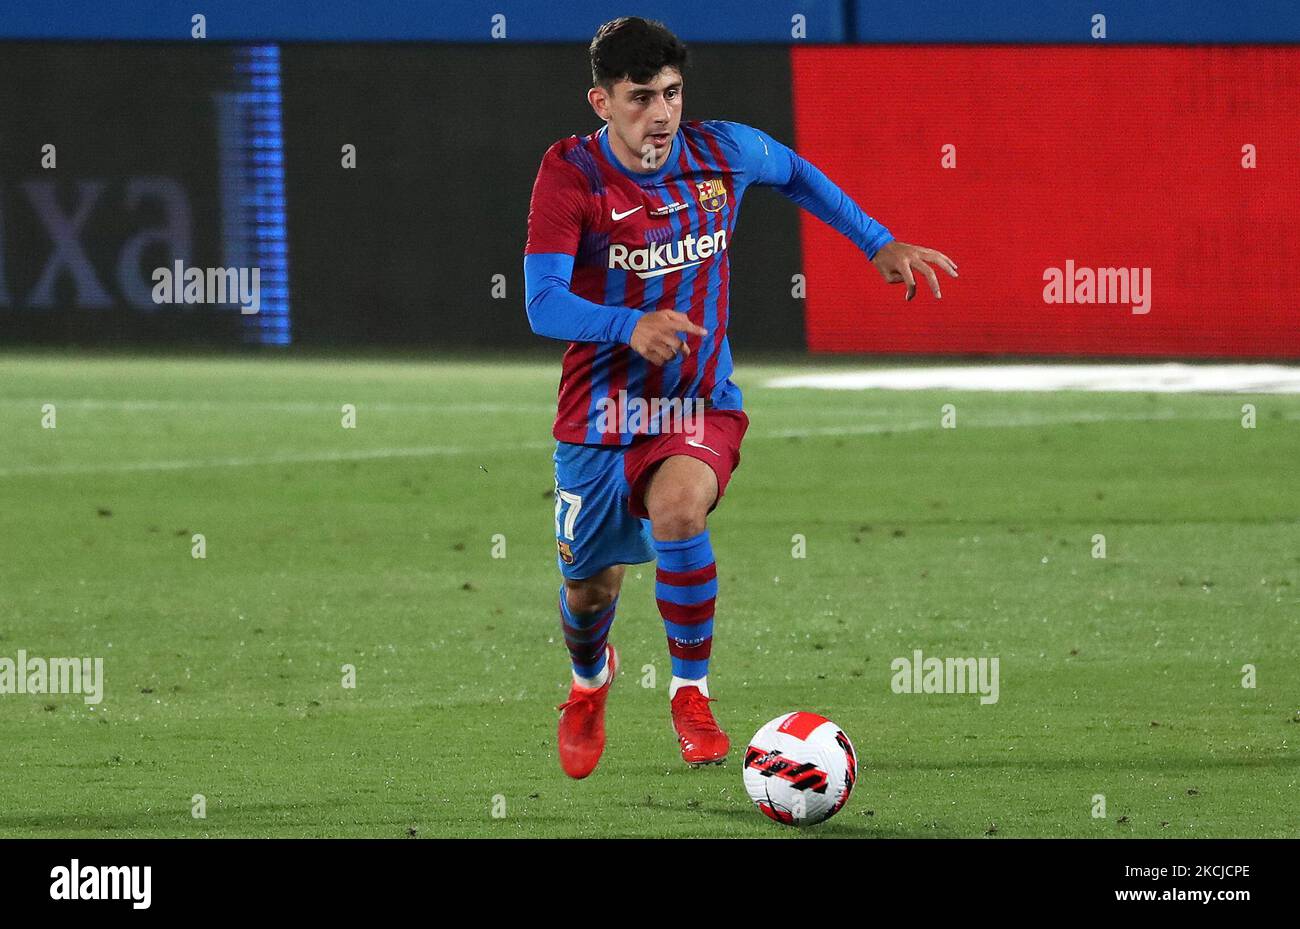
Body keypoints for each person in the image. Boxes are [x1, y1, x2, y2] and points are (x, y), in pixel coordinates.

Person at [523, 16, 957, 779]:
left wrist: (878, 242)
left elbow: (795, 173)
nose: (660, 113)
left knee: (680, 510)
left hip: (697, 400)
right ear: (601, 102)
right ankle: (590, 681)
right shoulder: (571, 174)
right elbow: (542, 302)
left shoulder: (723, 152)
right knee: (589, 591)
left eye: (672, 93)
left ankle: (691, 693)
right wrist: (629, 325)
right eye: (639, 98)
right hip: (599, 415)